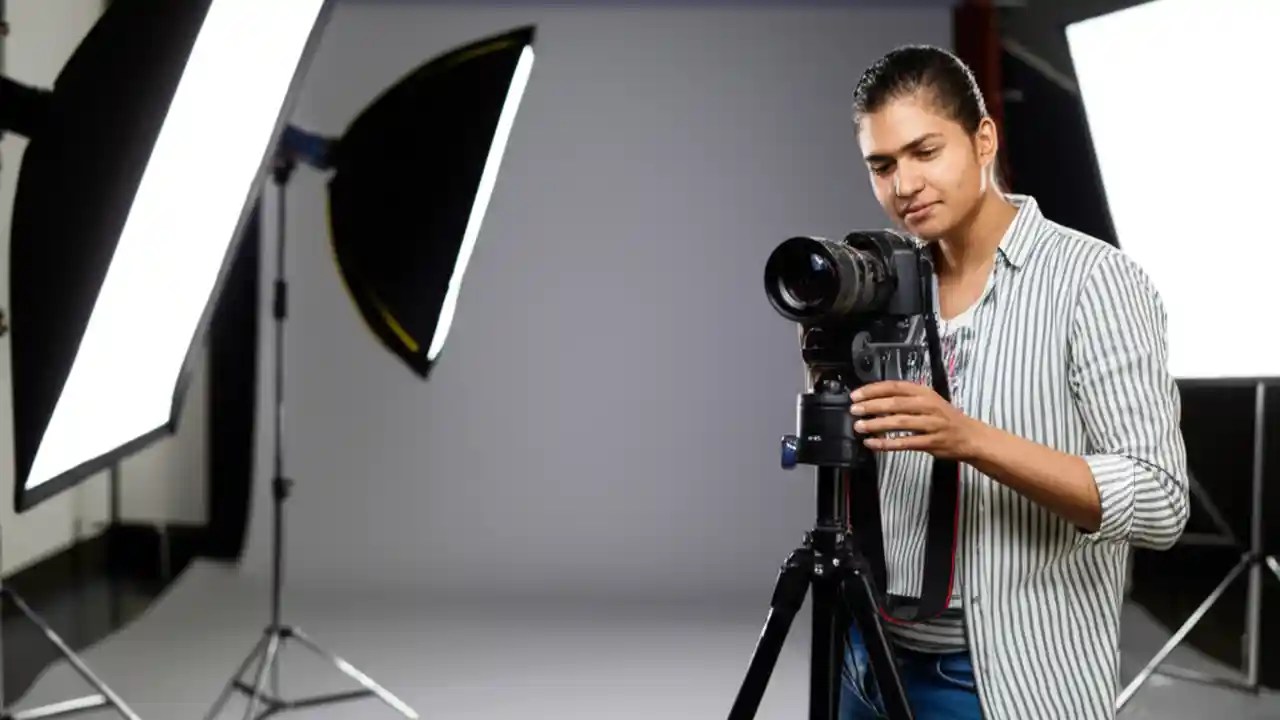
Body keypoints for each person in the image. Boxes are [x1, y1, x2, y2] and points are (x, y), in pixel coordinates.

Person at [837, 45, 1188, 720]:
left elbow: (1159, 501)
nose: (903, 184)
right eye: (882, 165)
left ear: (984, 139)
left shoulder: (1094, 282)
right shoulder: (882, 286)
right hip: (868, 653)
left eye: (924, 151)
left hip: (999, 672)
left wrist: (970, 439)